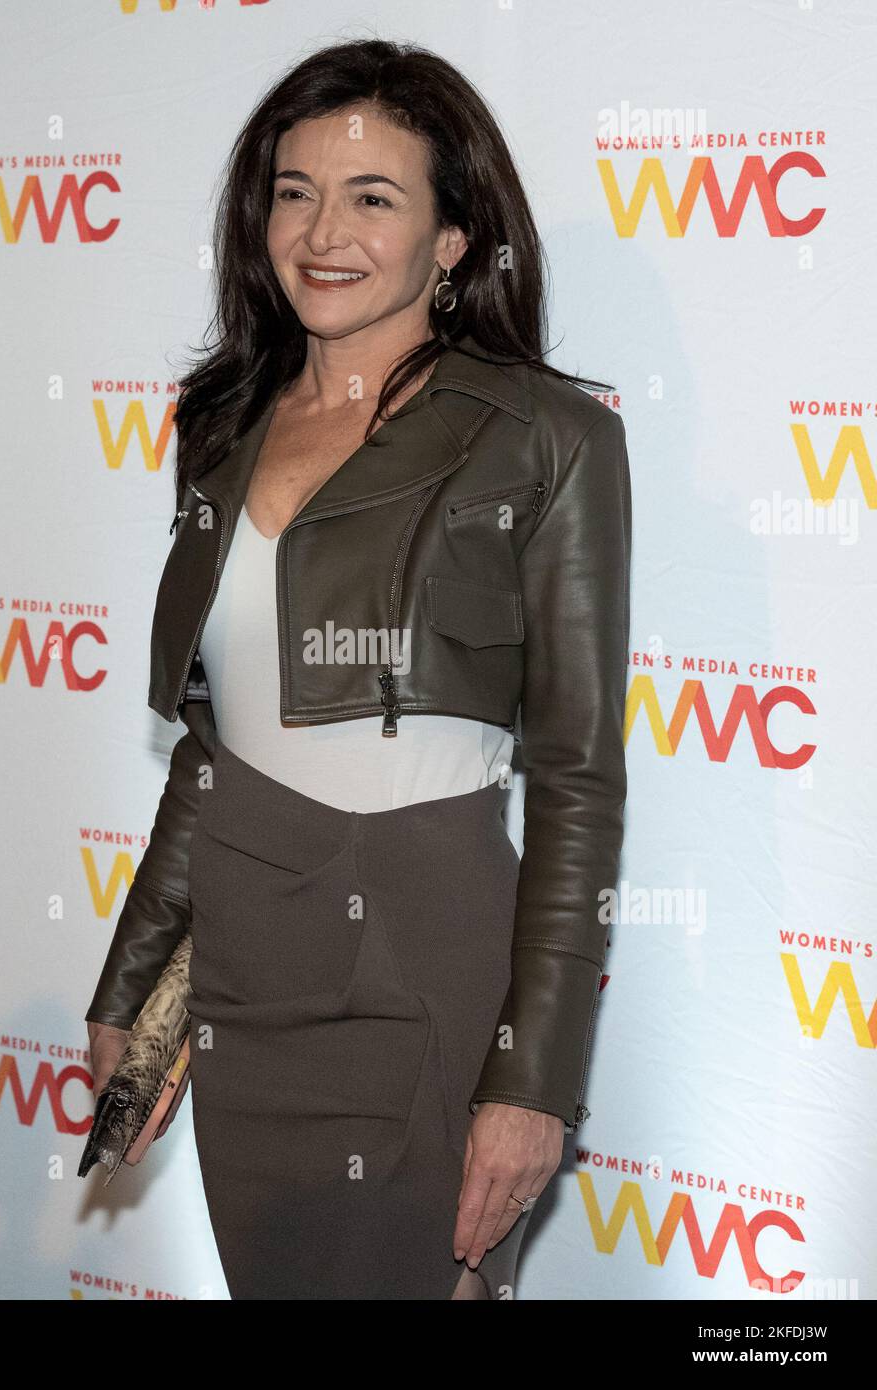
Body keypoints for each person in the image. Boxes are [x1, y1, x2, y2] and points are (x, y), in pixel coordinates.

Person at [85, 37, 631, 1301]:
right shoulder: (221, 422)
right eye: (292, 190)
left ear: (452, 238)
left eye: (372, 197)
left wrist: (533, 1077)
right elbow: (213, 750)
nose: (320, 231)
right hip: (243, 962)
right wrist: (133, 979)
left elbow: (575, 777)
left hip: (423, 951)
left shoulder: (545, 439)